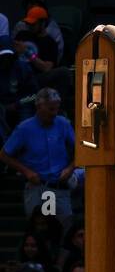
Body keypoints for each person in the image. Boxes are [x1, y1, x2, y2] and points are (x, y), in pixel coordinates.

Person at [1, 89, 76, 228]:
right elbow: (4, 154)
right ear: (39, 107)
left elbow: (81, 150)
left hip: (59, 185)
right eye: (50, 109)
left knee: (65, 230)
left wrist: (70, 168)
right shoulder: (24, 128)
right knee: (38, 230)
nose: (54, 113)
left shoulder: (63, 123)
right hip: (37, 186)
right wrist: (26, 171)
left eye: (56, 109)